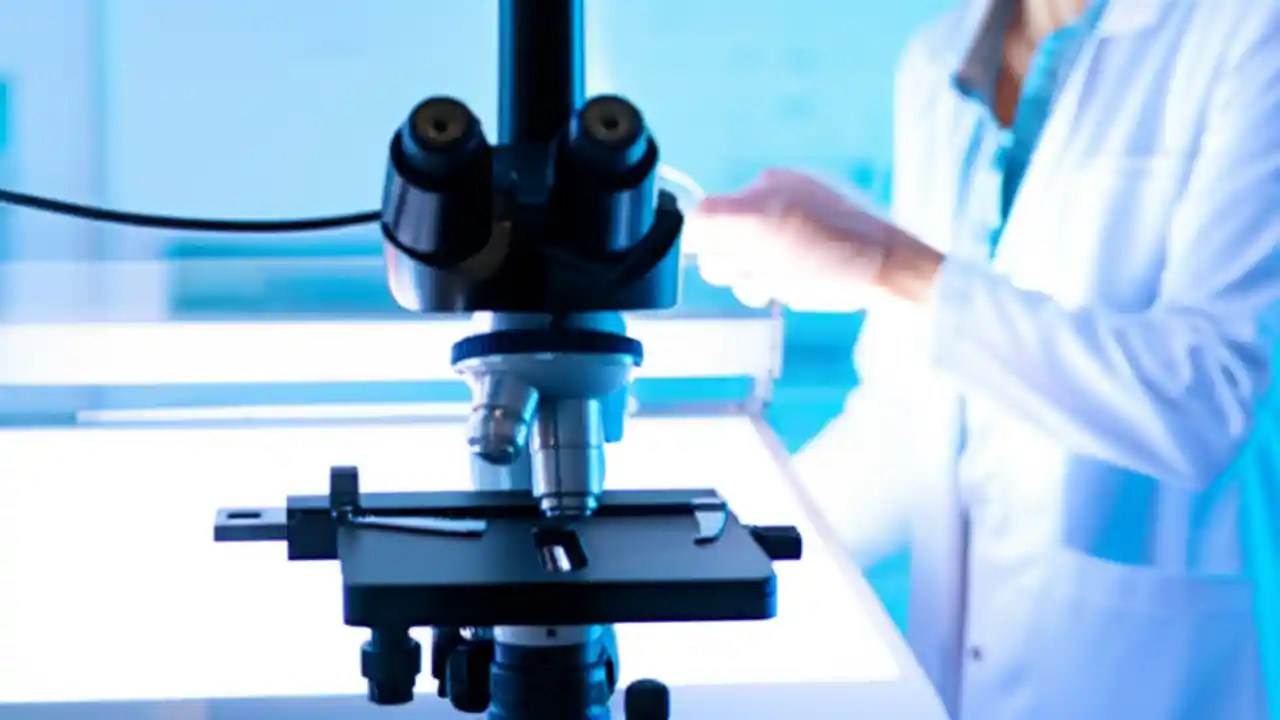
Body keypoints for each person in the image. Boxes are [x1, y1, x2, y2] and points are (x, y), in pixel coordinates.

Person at [686, 0, 1280, 718]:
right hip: (966, 671)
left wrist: (889, 264)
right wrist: (712, 537)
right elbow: (907, 411)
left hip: (1150, 674)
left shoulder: (1249, 31)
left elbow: (1207, 400)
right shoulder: (940, 58)